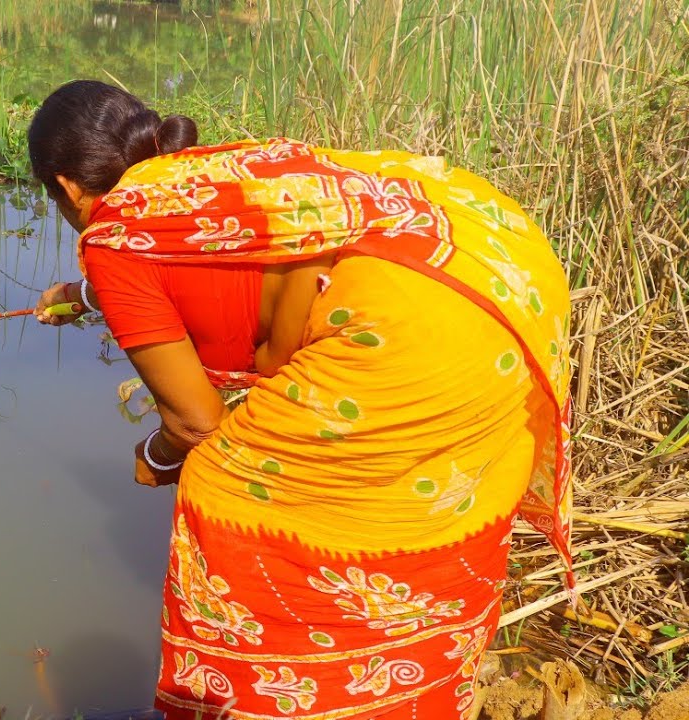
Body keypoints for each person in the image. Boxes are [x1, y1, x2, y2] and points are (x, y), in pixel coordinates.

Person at [28, 80, 573, 720]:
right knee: (420, 505)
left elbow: (197, 421)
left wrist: (154, 456)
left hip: (402, 333)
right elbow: (198, 263)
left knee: (219, 484)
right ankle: (421, 684)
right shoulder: (204, 172)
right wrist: (84, 296)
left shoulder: (112, 239)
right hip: (497, 275)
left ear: (67, 188)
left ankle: (274, 702)